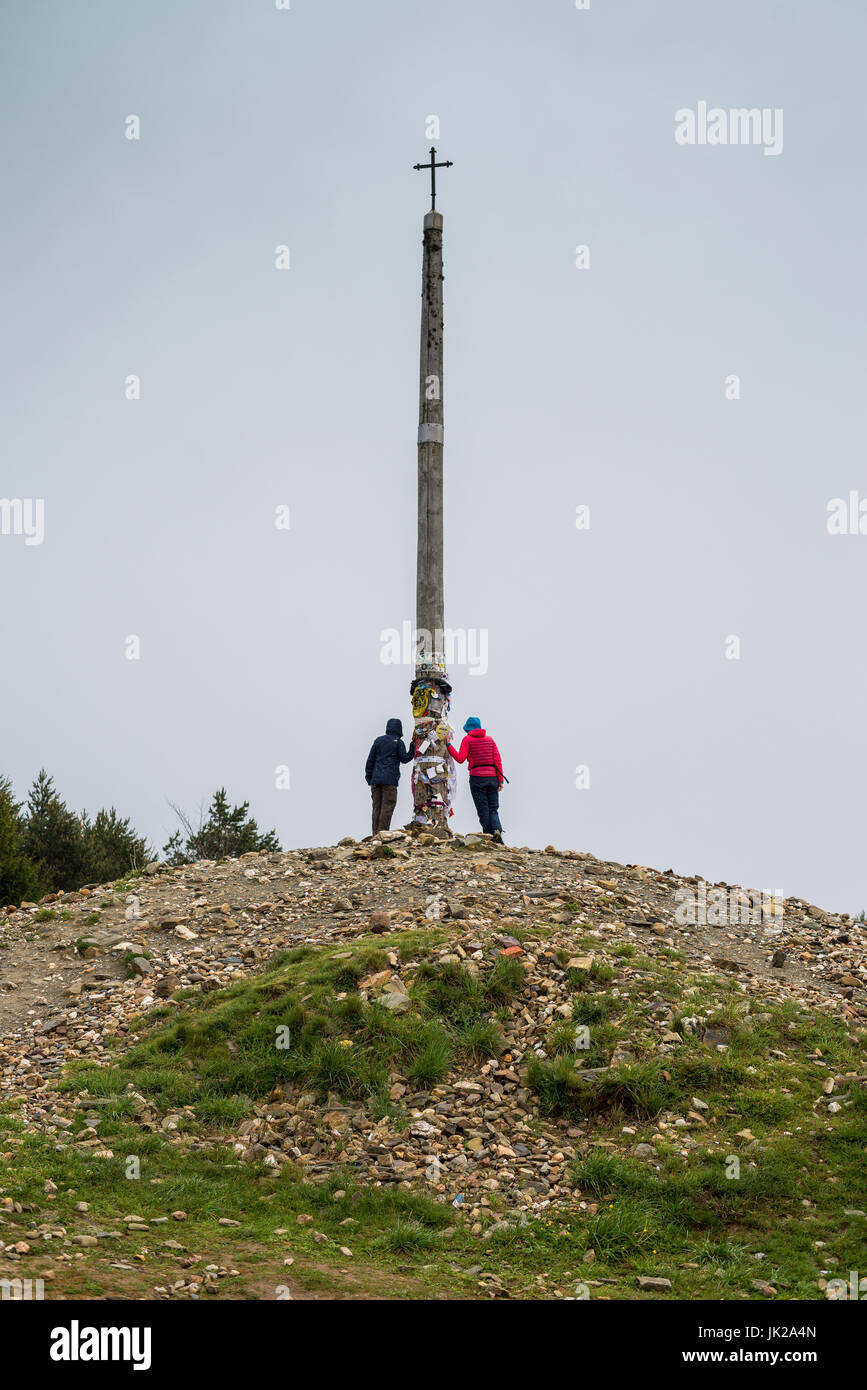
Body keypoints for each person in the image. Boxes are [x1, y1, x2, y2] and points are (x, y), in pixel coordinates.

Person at [448, 716, 505, 843]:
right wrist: (500, 780)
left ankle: (489, 837)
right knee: (493, 808)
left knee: (483, 809)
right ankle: (497, 830)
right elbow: (497, 760)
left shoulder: (467, 739)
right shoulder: (490, 740)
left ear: (468, 728)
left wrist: (448, 745)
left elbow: (460, 758)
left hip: (477, 778)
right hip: (492, 778)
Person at [365, 717, 416, 834]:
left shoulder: (378, 740)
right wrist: (413, 746)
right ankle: (382, 834)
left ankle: (375, 835)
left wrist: (369, 778)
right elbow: (405, 758)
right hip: (390, 781)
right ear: (399, 729)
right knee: (387, 808)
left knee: (376, 808)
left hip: (375, 780)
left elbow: (370, 761)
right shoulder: (398, 742)